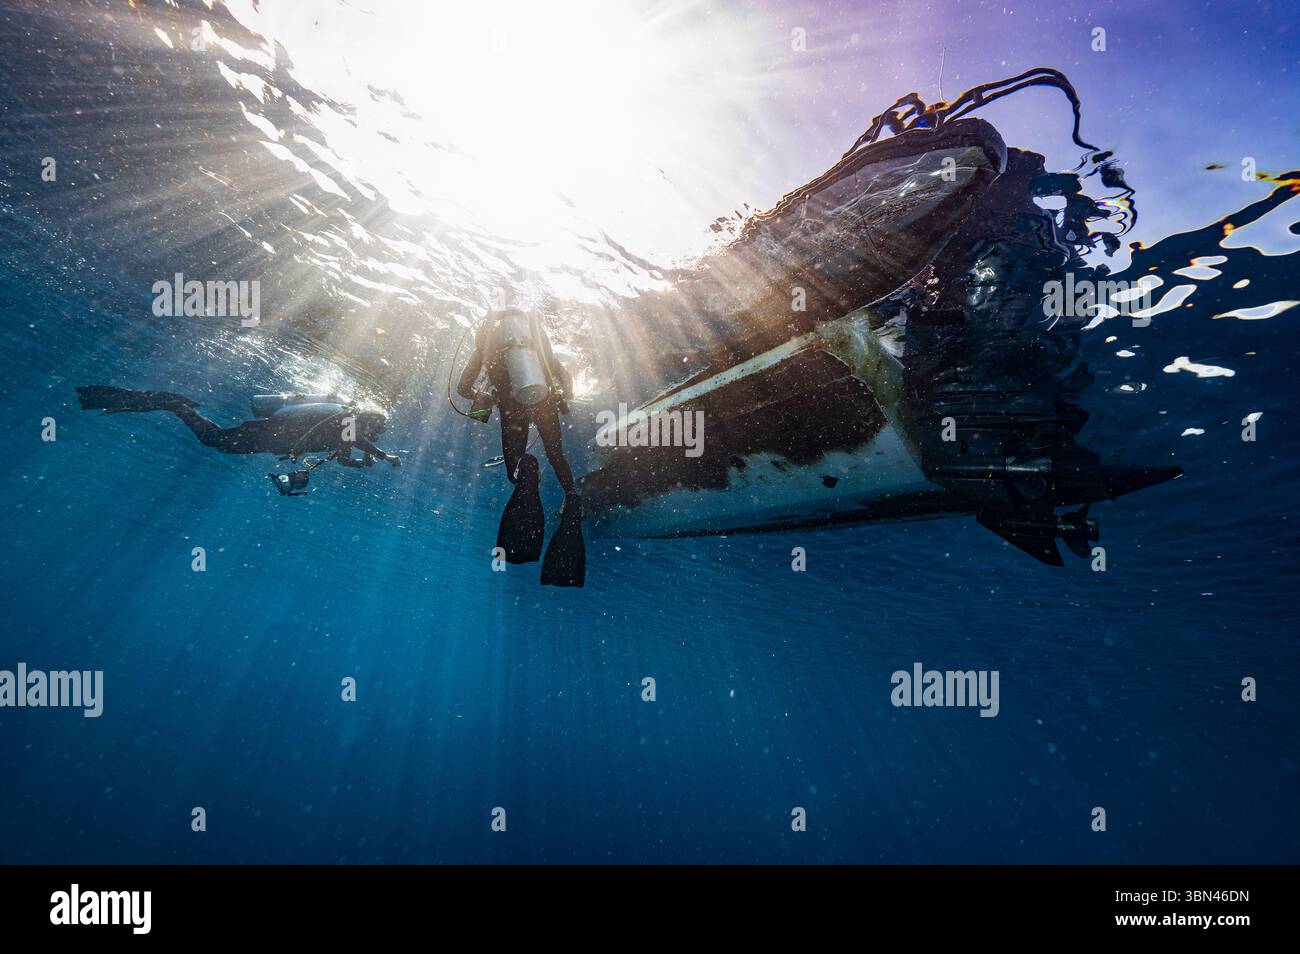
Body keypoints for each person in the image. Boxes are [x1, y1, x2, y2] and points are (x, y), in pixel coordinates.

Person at [457, 307, 584, 587]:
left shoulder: (487, 343)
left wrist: (485, 395)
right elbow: (562, 374)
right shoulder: (535, 339)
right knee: (555, 453)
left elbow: (463, 388)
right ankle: (572, 497)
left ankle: (528, 476)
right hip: (544, 399)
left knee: (514, 470)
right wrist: (565, 397)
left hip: (512, 406)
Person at [75, 386, 400, 481]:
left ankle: (172, 404)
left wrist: (360, 464)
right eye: (378, 427)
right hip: (266, 434)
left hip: (267, 437)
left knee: (214, 442)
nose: (377, 433)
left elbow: (344, 457)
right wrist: (383, 456)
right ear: (368, 419)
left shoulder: (342, 429)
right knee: (213, 441)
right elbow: (356, 439)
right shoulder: (347, 422)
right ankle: (173, 403)